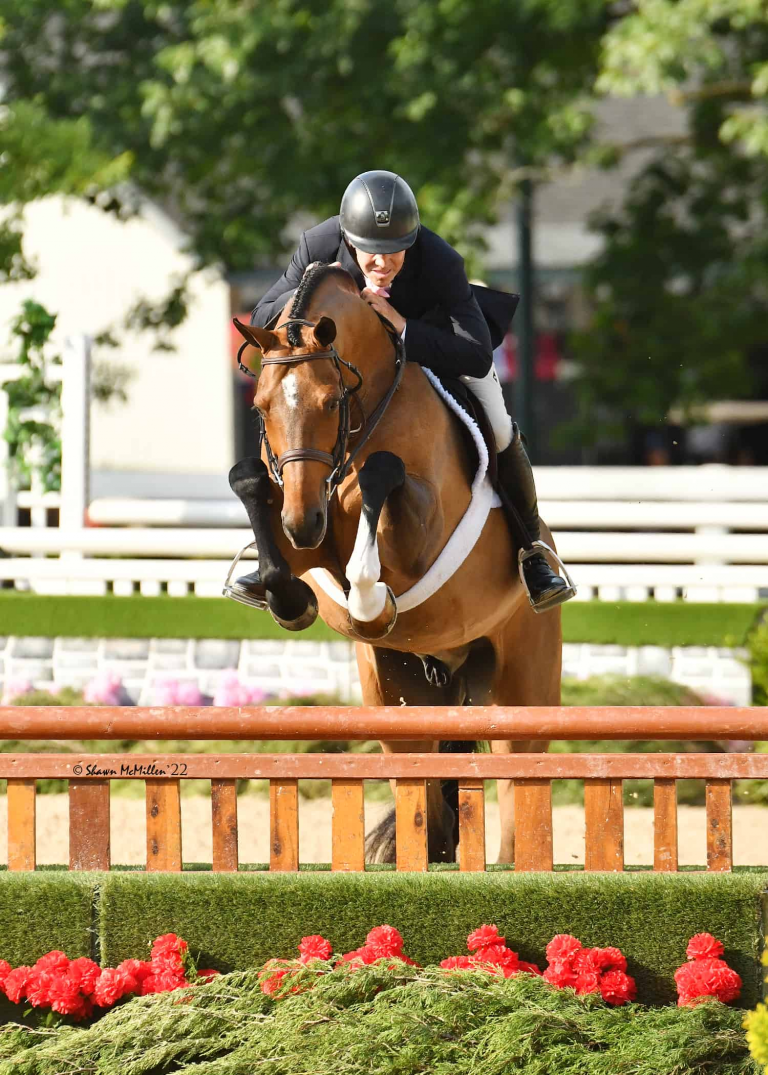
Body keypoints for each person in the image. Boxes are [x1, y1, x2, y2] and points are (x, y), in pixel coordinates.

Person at [247, 169, 574, 611]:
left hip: (436, 348)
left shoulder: (439, 260)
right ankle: (271, 551)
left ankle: (532, 553)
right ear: (347, 238)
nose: (383, 263)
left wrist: (401, 326)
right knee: (295, 410)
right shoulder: (318, 245)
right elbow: (264, 313)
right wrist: (309, 294)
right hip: (350, 363)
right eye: (371, 253)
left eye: (395, 251)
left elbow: (476, 353)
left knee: (498, 426)